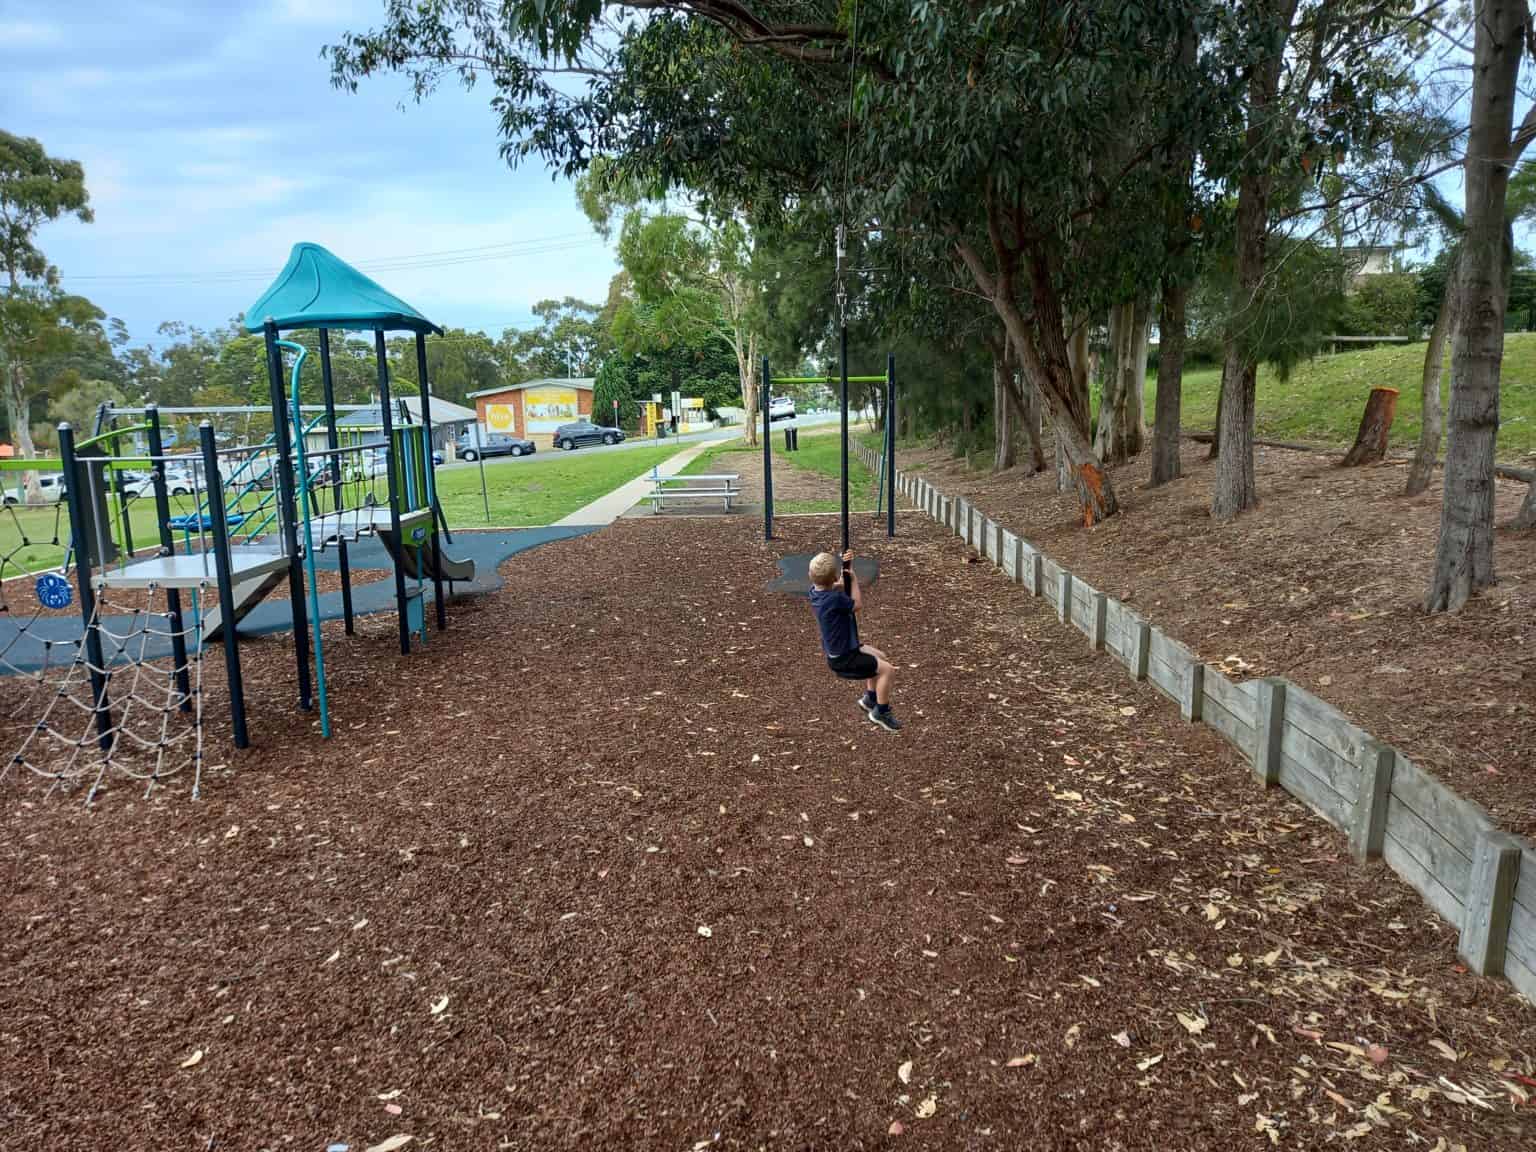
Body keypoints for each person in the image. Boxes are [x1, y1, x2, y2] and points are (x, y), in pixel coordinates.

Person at [808, 549, 900, 731]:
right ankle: (881, 712)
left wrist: (843, 572)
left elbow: (831, 585)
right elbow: (857, 604)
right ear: (834, 578)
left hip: (845, 650)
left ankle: (870, 699)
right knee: (887, 670)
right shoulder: (834, 599)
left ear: (810, 576)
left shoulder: (814, 593)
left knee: (880, 657)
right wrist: (854, 579)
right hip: (845, 658)